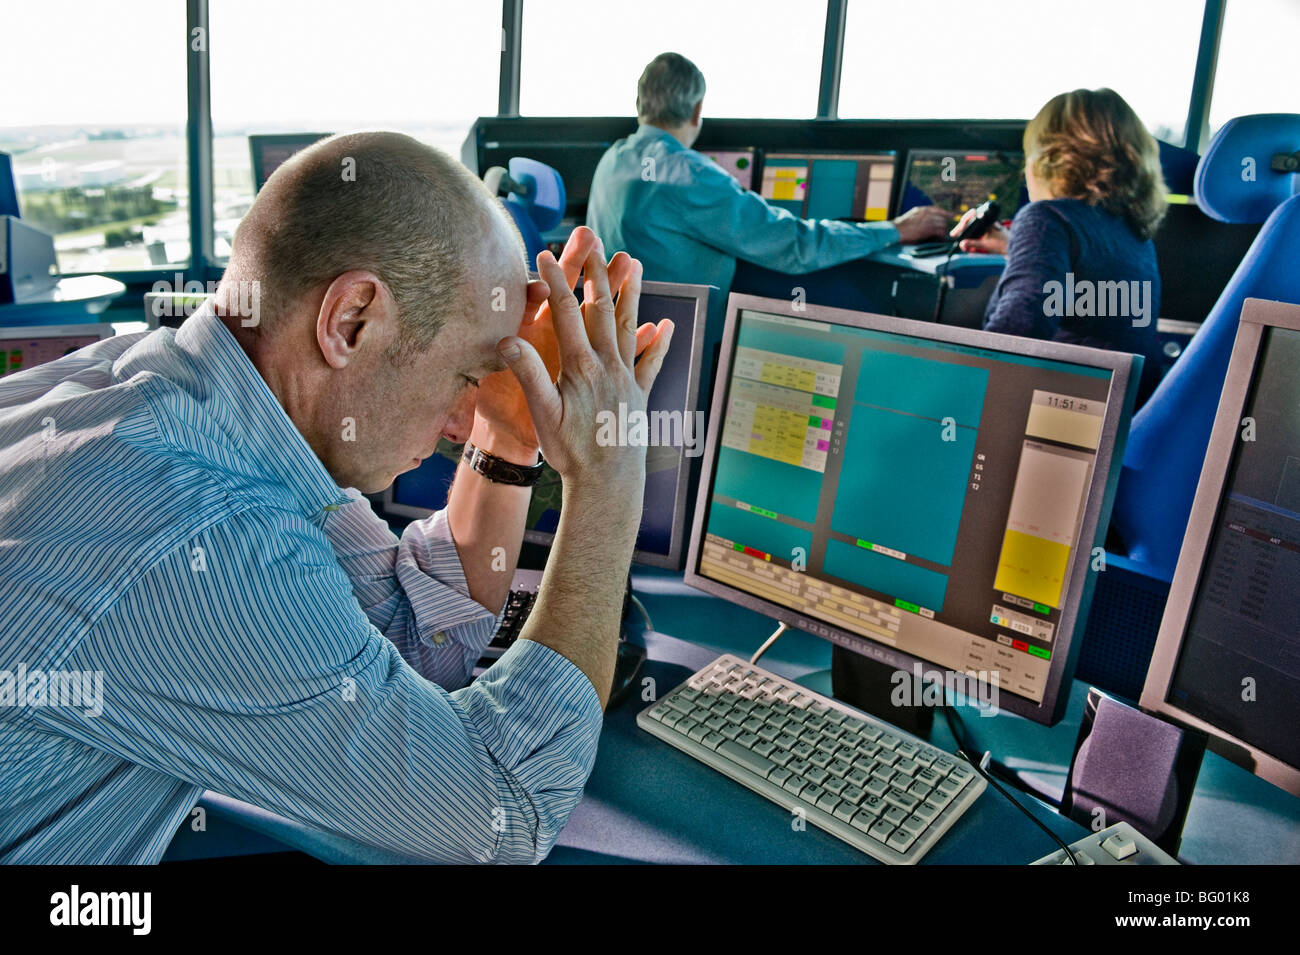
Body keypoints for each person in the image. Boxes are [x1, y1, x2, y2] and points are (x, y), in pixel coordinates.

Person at [0, 132, 673, 864]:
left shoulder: (176, 399)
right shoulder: (201, 524)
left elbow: (416, 635)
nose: (458, 423)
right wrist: (608, 480)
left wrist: (507, 440)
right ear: (350, 320)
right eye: (464, 377)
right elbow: (504, 814)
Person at [587, 52, 950, 342]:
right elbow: (796, 244)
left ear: (640, 102)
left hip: (611, 345)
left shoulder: (610, 161)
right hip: (673, 356)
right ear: (697, 110)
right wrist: (893, 230)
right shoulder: (690, 174)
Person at [954, 88, 1168, 405]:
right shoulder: (1134, 234)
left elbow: (1017, 333)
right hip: (1112, 411)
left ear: (1048, 159)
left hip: (1054, 413)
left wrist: (942, 385)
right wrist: (1017, 249)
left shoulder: (1044, 218)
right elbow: (1083, 294)